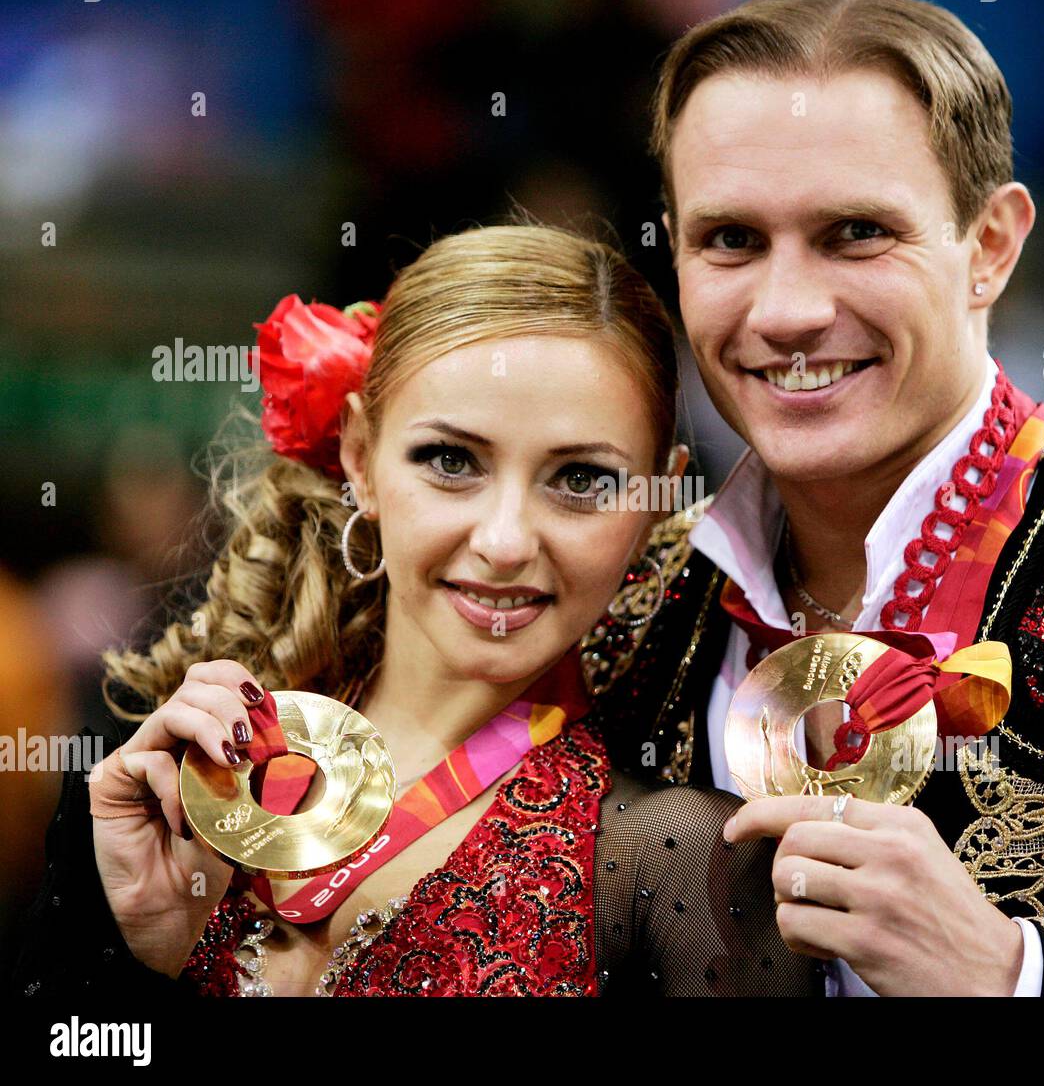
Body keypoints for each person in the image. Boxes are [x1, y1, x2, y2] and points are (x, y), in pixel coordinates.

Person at [584, 0, 1044, 997]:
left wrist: (1011, 975)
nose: (787, 311)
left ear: (990, 246)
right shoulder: (619, 605)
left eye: (857, 233)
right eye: (731, 239)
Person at [10, 224, 821, 998]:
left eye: (581, 480)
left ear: (654, 500)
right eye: (451, 460)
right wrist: (141, 952)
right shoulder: (164, 774)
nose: (504, 542)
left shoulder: (682, 863)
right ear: (360, 456)